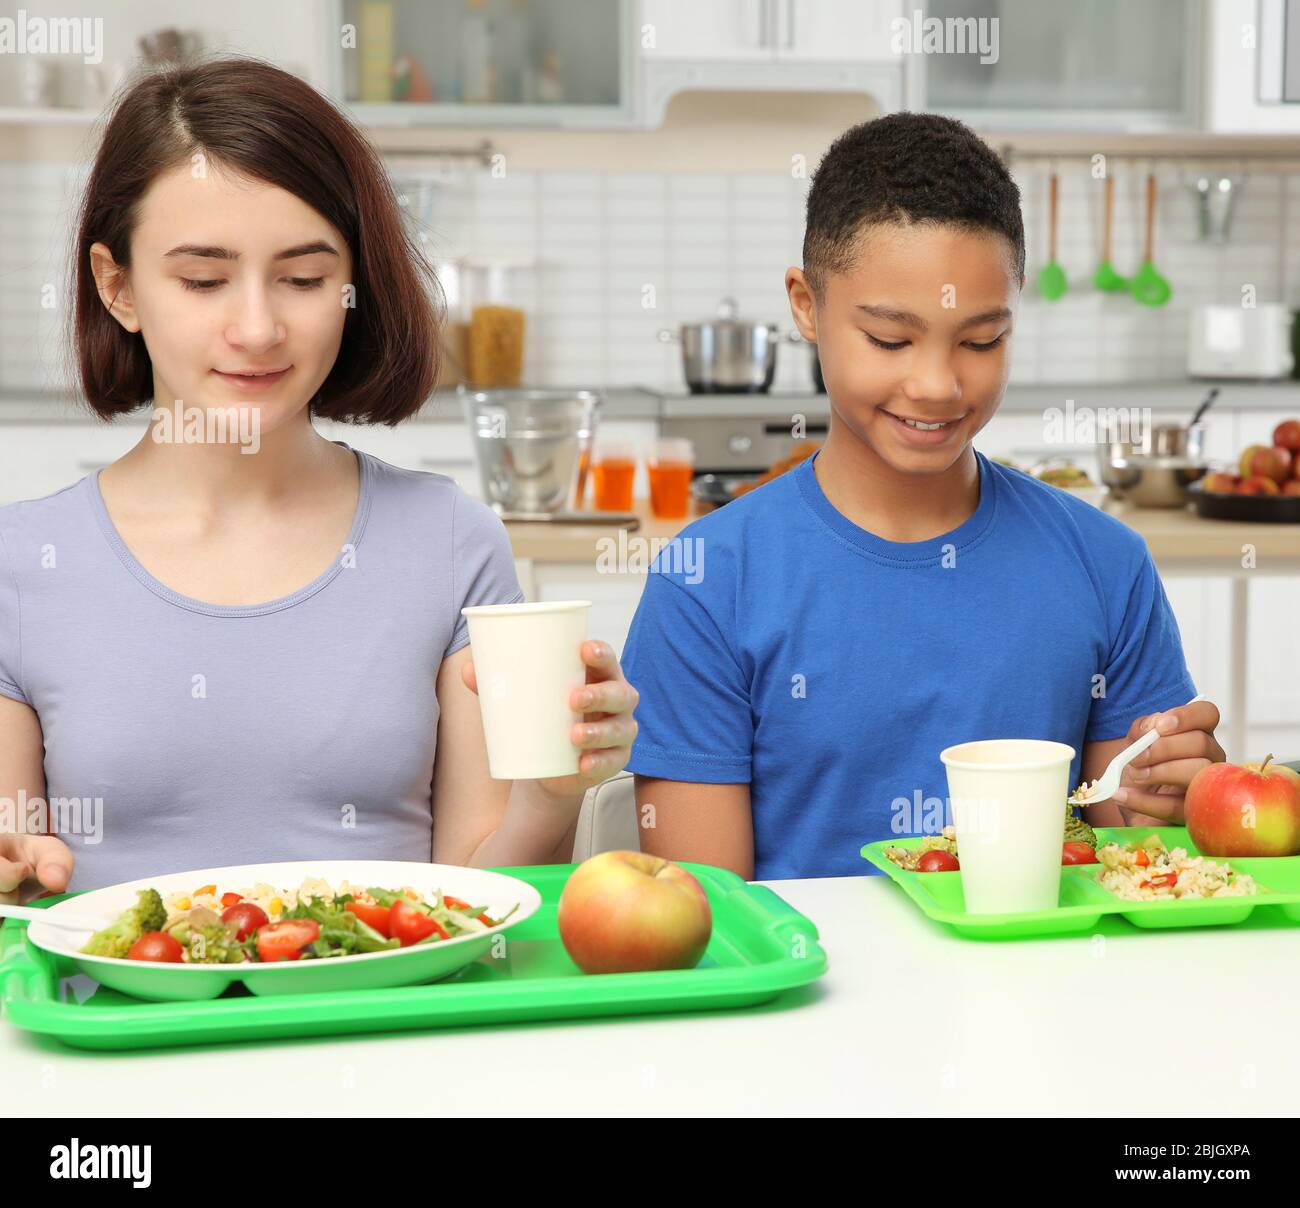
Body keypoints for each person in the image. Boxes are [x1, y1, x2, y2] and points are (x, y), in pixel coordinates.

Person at [0, 57, 637, 903]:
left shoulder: (449, 543)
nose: (259, 328)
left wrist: (550, 797)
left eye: (304, 280)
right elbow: (19, 888)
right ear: (118, 287)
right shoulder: (23, 565)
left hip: (383, 1025)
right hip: (115, 1027)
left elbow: (477, 906)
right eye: (203, 280)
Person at [619, 113, 1225, 882]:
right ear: (806, 305)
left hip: (1053, 993)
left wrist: (1166, 800)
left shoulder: (1106, 562)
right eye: (890, 340)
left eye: (980, 341)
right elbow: (705, 916)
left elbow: (1127, 852)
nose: (938, 385)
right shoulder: (707, 580)